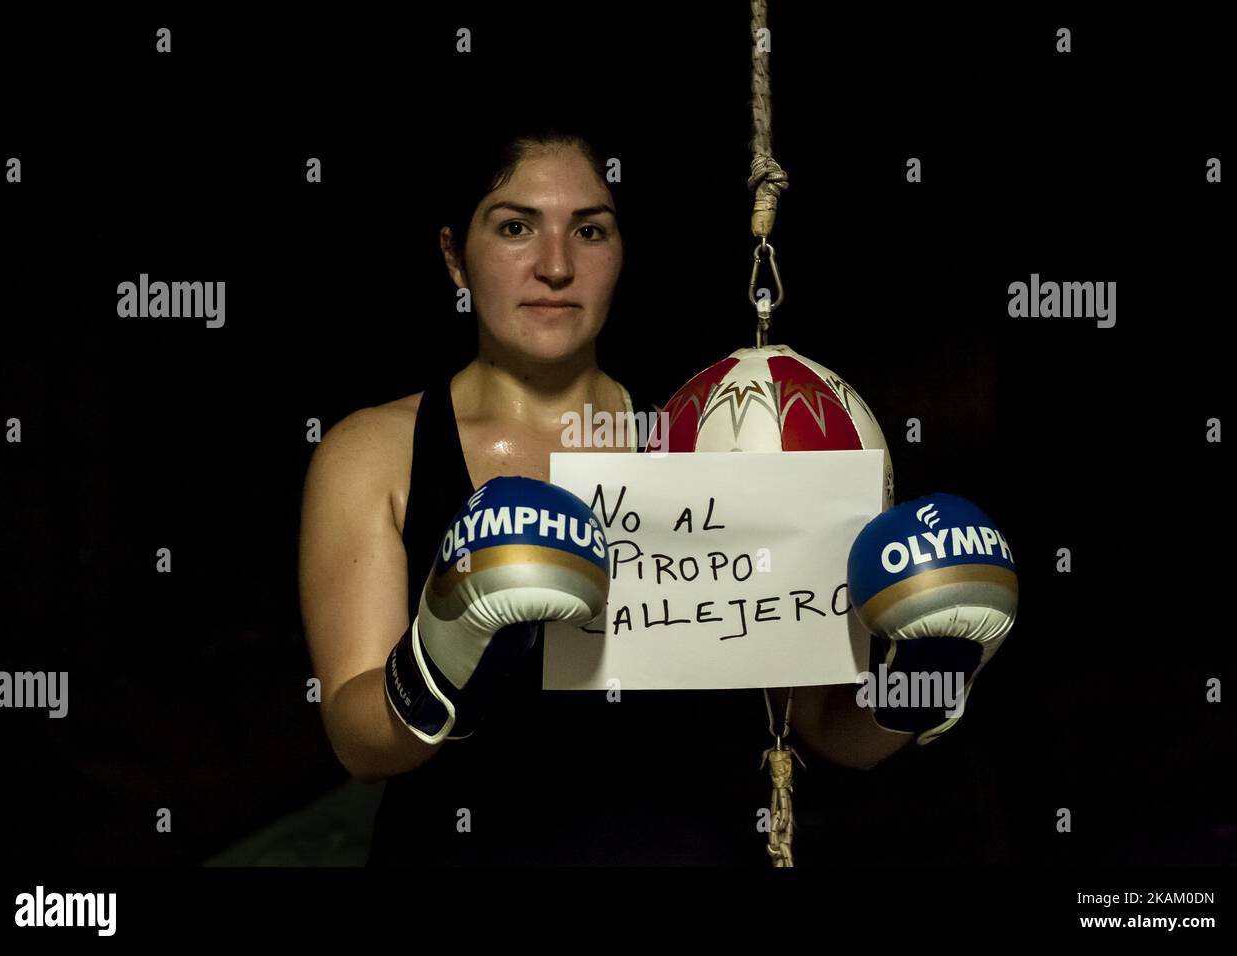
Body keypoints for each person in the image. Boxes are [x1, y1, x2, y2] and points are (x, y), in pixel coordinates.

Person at [298, 127, 914, 866]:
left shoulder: (708, 438)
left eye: (589, 230)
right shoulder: (374, 453)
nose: (555, 266)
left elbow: (827, 729)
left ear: (621, 254)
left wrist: (928, 672)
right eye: (516, 226)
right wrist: (447, 642)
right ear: (455, 257)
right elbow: (355, 739)